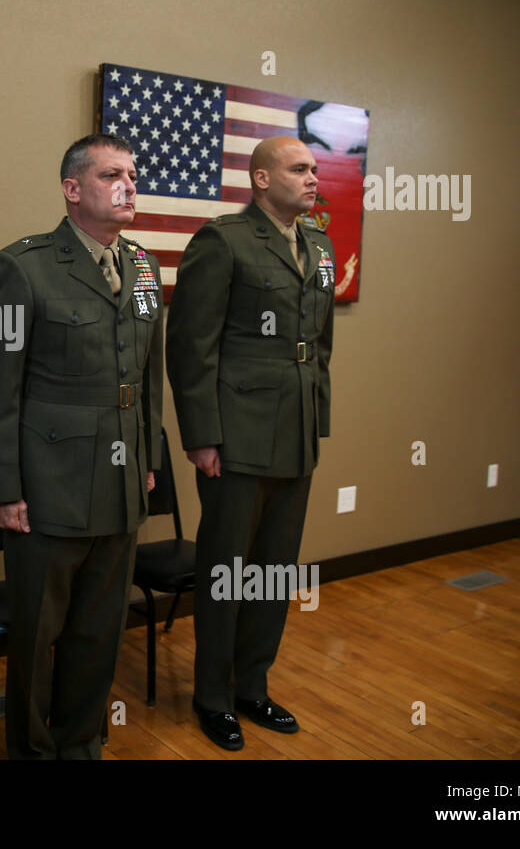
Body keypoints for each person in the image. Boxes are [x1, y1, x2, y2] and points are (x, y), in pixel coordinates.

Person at [0, 132, 163, 759]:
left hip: (120, 482)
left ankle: (81, 745)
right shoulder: (23, 266)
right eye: (112, 175)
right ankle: (30, 751)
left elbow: (147, 375)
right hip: (48, 487)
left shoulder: (142, 266)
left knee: (100, 633)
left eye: (132, 174)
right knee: (38, 636)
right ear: (73, 189)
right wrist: (3, 490)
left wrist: (149, 463)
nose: (128, 185)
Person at [165, 135, 334, 750]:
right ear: (261, 178)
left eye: (315, 168)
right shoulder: (225, 240)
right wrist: (201, 437)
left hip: (294, 435)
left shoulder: (317, 243)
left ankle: (252, 687)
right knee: (228, 573)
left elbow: (319, 342)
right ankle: (212, 697)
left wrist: (317, 417)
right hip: (235, 438)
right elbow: (191, 347)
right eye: (299, 168)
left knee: (273, 572)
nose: (314, 177)